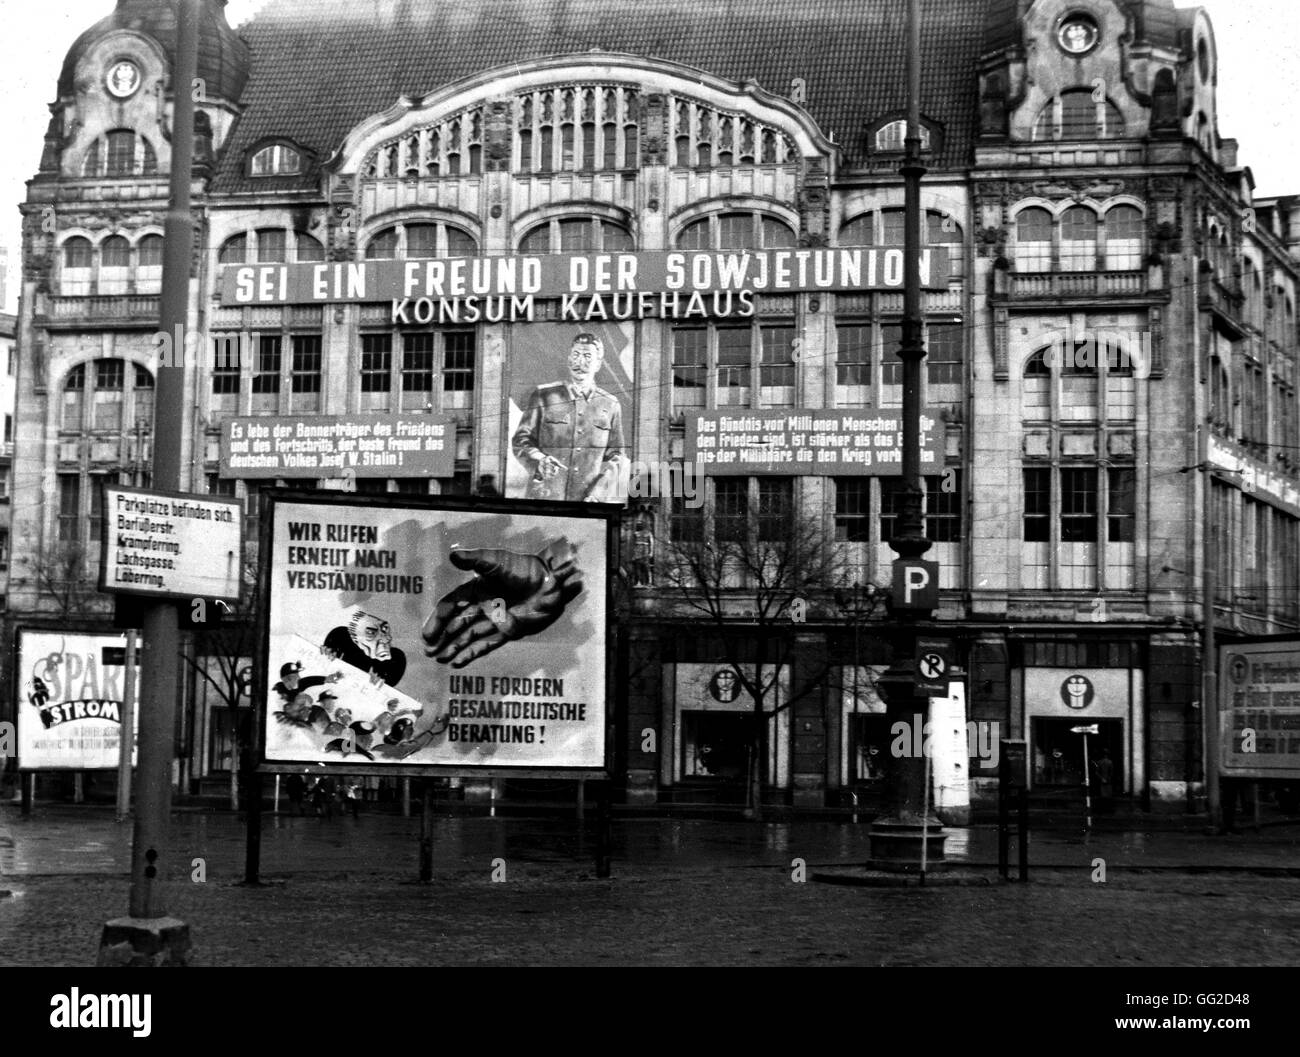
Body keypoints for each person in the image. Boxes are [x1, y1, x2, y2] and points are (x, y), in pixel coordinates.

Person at [511, 332, 628, 502]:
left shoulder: (610, 405)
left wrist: (598, 494)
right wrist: (539, 461)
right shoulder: (544, 395)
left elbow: (616, 457)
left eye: (587, 356)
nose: (580, 362)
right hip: (544, 499)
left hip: (588, 504)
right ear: (568, 360)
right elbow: (521, 440)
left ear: (598, 364)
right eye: (576, 355)